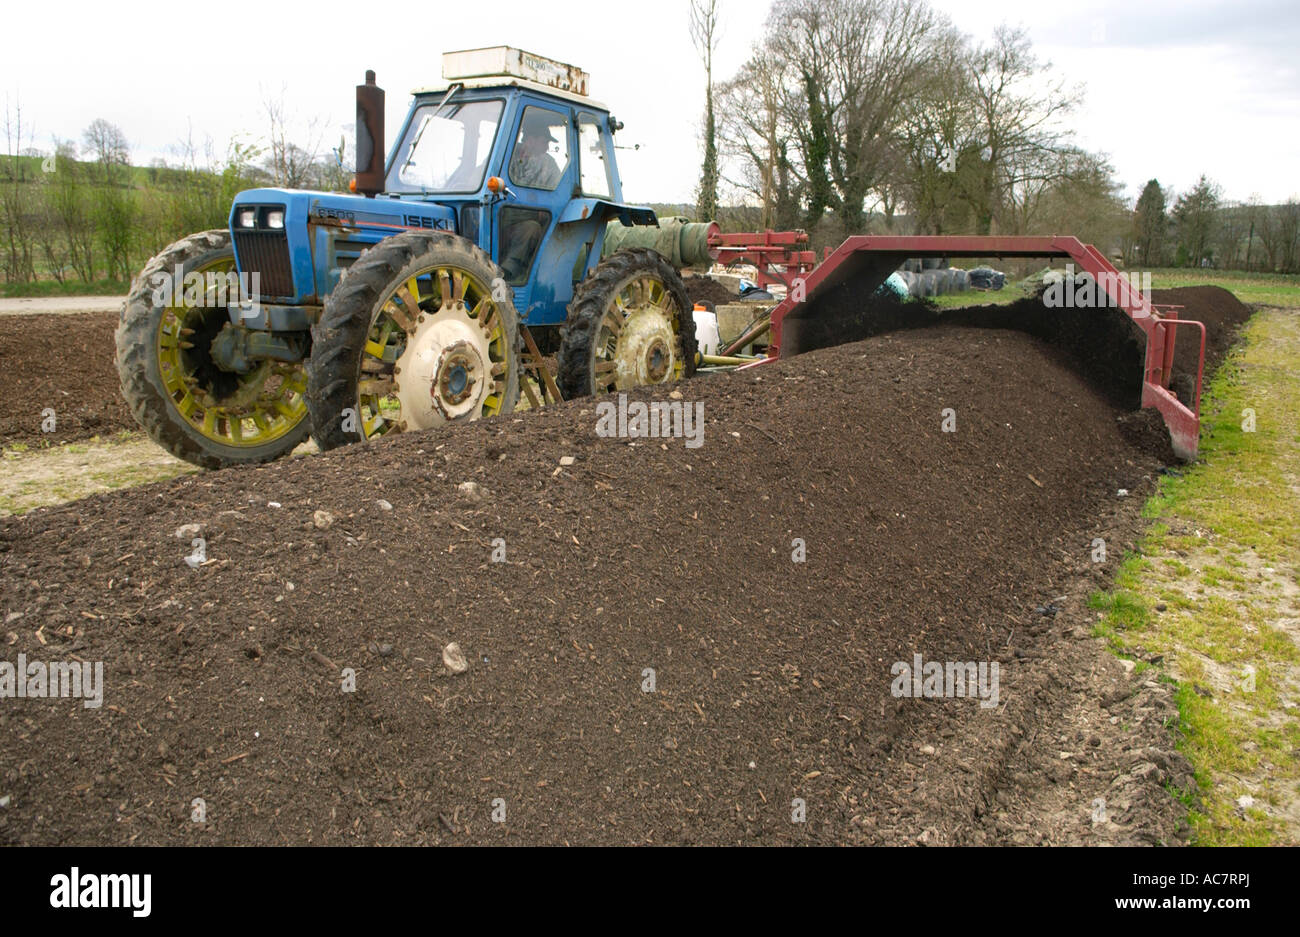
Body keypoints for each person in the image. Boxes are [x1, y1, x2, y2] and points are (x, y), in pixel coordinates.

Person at [500, 111, 566, 280]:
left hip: (525, 218)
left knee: (531, 228)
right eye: (544, 141)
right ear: (530, 139)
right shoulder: (505, 157)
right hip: (501, 216)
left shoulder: (548, 164)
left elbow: (560, 192)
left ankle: (506, 274)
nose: (547, 147)